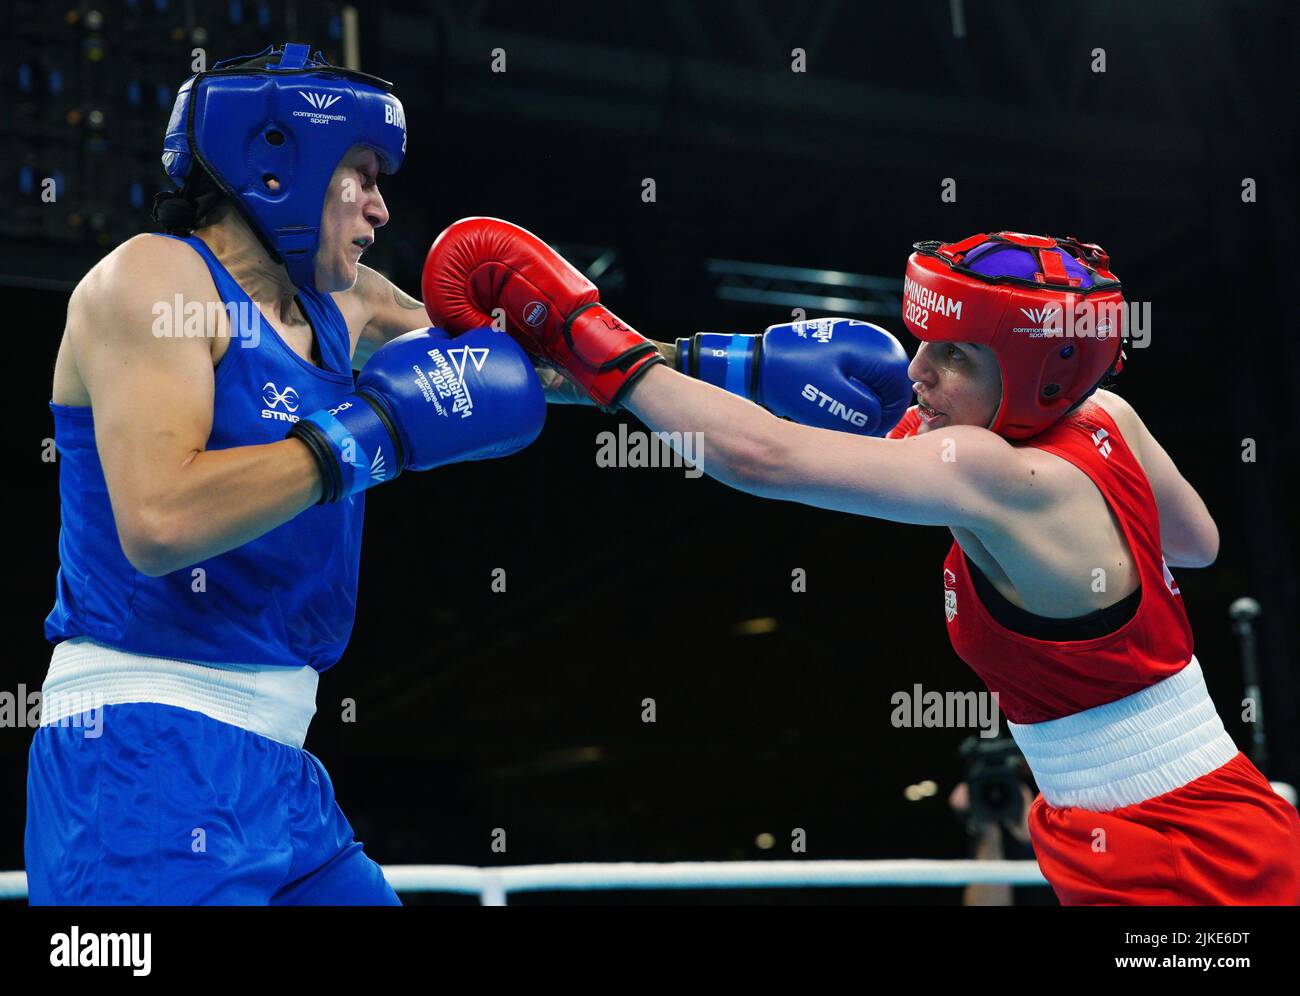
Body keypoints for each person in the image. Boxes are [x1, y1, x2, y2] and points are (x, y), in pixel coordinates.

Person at [27, 45, 911, 905]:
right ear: (278, 162)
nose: (379, 209)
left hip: (279, 771)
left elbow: (523, 364)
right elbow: (161, 523)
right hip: (139, 754)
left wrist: (729, 369)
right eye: (362, 175)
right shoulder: (151, 281)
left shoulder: (350, 300)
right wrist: (369, 433)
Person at [424, 218, 1300, 906]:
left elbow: (761, 459)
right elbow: (1195, 543)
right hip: (1166, 822)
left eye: (953, 355)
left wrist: (582, 325)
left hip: (1189, 857)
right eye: (923, 339)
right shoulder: (1107, 414)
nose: (917, 368)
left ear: (1036, 370)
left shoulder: (999, 476)